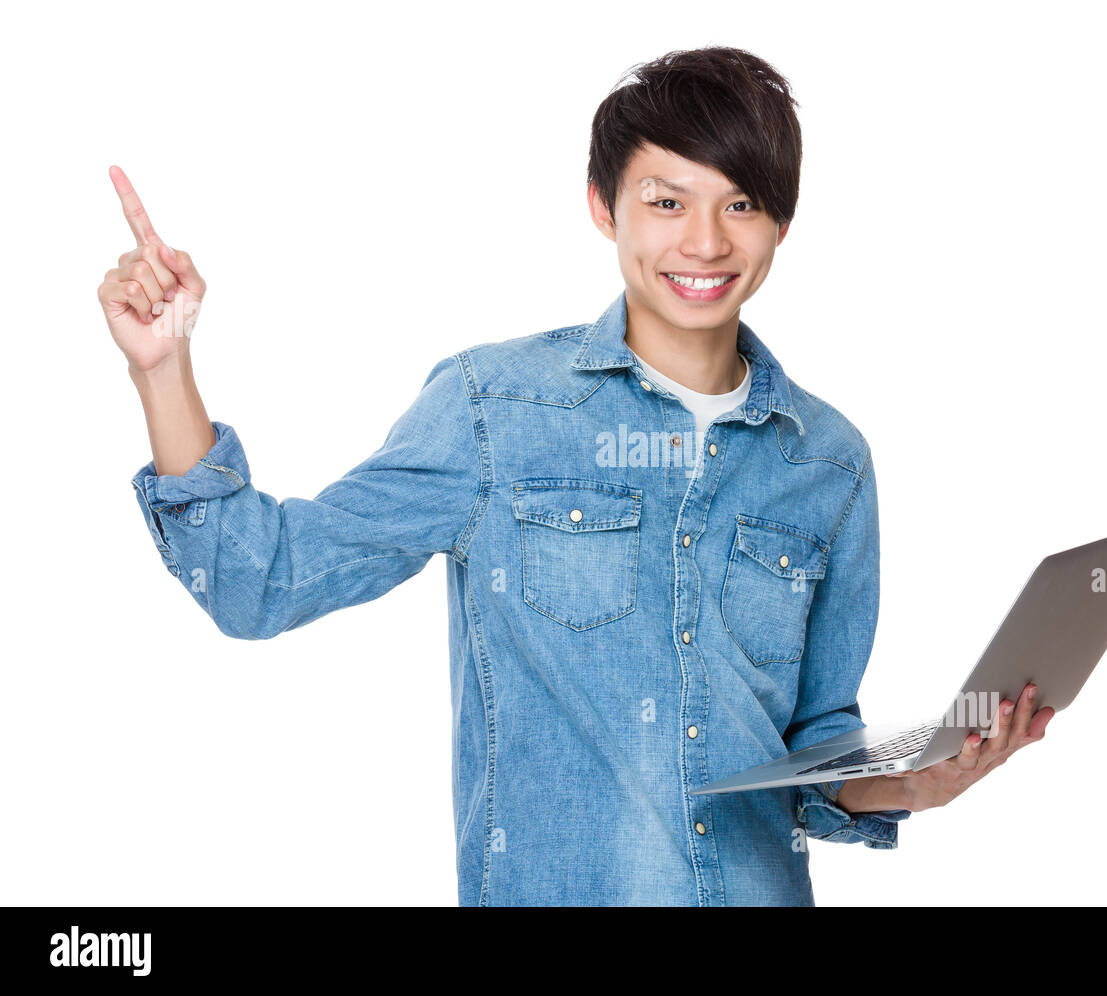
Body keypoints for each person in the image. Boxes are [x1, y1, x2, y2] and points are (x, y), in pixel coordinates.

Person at [99, 45, 1053, 907]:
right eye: (667, 202)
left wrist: (911, 784)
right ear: (604, 207)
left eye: (741, 204)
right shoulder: (493, 410)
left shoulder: (829, 462)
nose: (706, 243)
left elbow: (816, 746)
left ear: (781, 223)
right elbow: (258, 581)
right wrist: (163, 367)